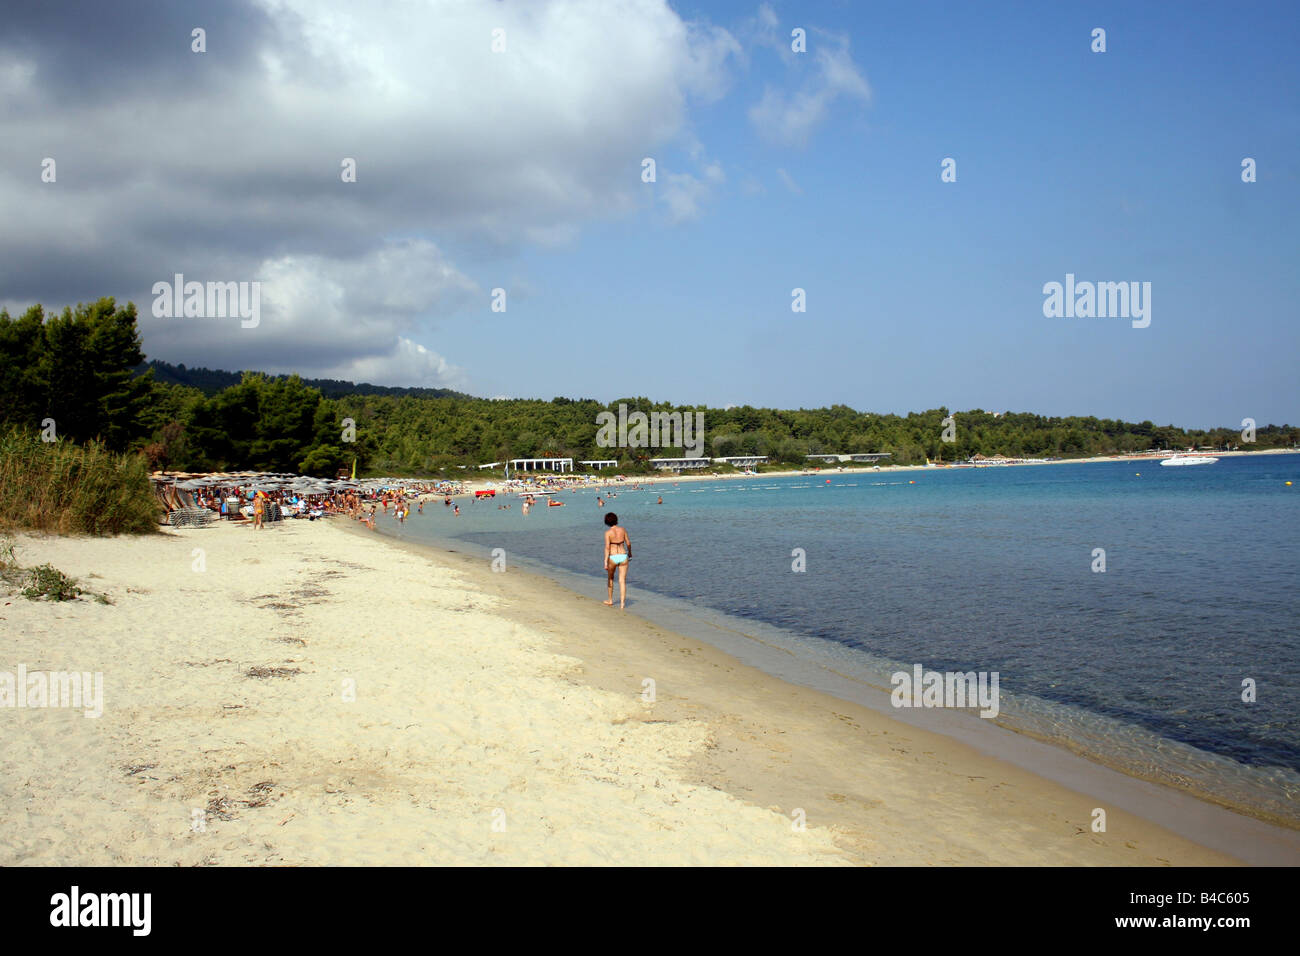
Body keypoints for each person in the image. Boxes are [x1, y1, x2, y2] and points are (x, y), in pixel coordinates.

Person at [602, 512, 630, 608]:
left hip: (613, 557)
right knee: (622, 580)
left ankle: (610, 600)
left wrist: (605, 561)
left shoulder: (608, 533)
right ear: (616, 520)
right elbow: (628, 543)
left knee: (610, 578)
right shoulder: (622, 530)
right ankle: (622, 603)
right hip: (623, 555)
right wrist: (630, 553)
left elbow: (607, 548)